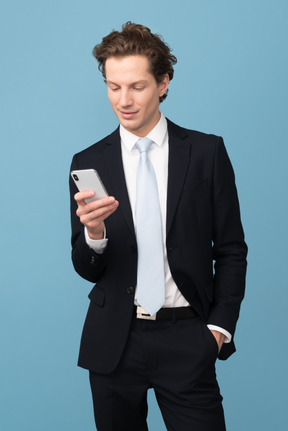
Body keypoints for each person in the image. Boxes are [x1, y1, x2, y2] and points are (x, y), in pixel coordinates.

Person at [69, 22, 247, 431]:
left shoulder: (206, 152)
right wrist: (94, 236)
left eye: (137, 86)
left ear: (163, 83)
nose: (123, 100)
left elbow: (233, 249)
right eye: (114, 87)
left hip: (187, 336)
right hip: (115, 340)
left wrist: (218, 330)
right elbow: (86, 268)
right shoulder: (88, 162)